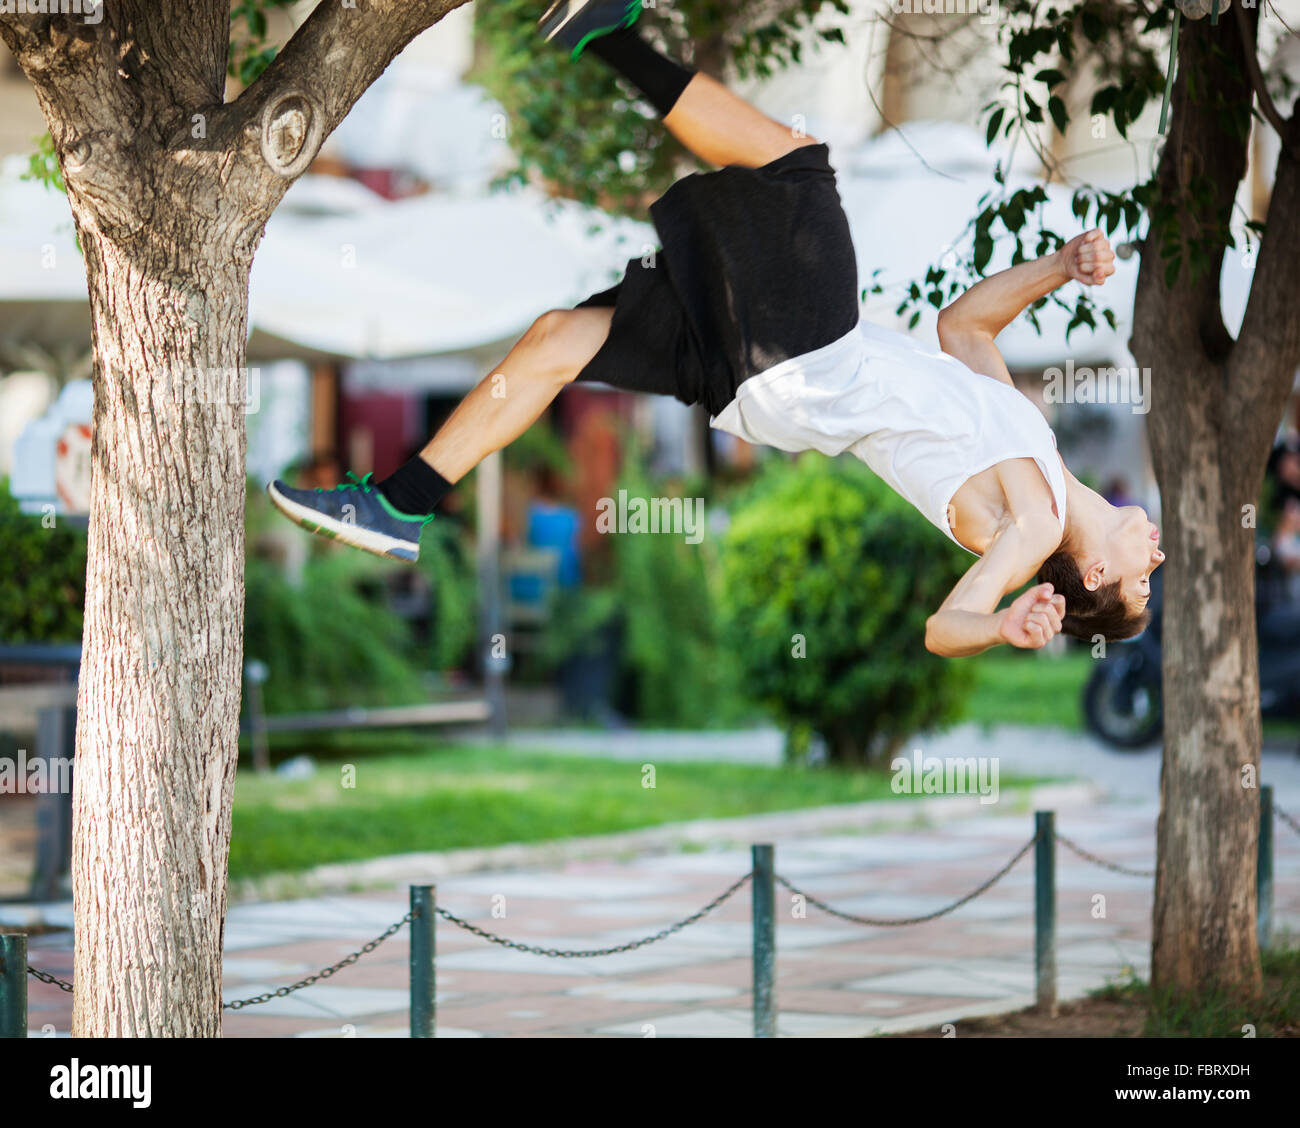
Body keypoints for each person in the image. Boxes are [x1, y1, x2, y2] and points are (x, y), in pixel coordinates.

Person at [268, 0, 1165, 656]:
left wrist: (1001, 624)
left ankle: (605, 32)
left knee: (796, 162)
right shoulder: (1034, 461)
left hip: (814, 353)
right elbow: (964, 328)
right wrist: (1056, 268)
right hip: (778, 379)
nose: (1155, 554)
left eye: (1141, 578)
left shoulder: (1036, 526)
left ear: (1090, 578)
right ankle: (397, 505)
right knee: (554, 338)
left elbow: (942, 628)